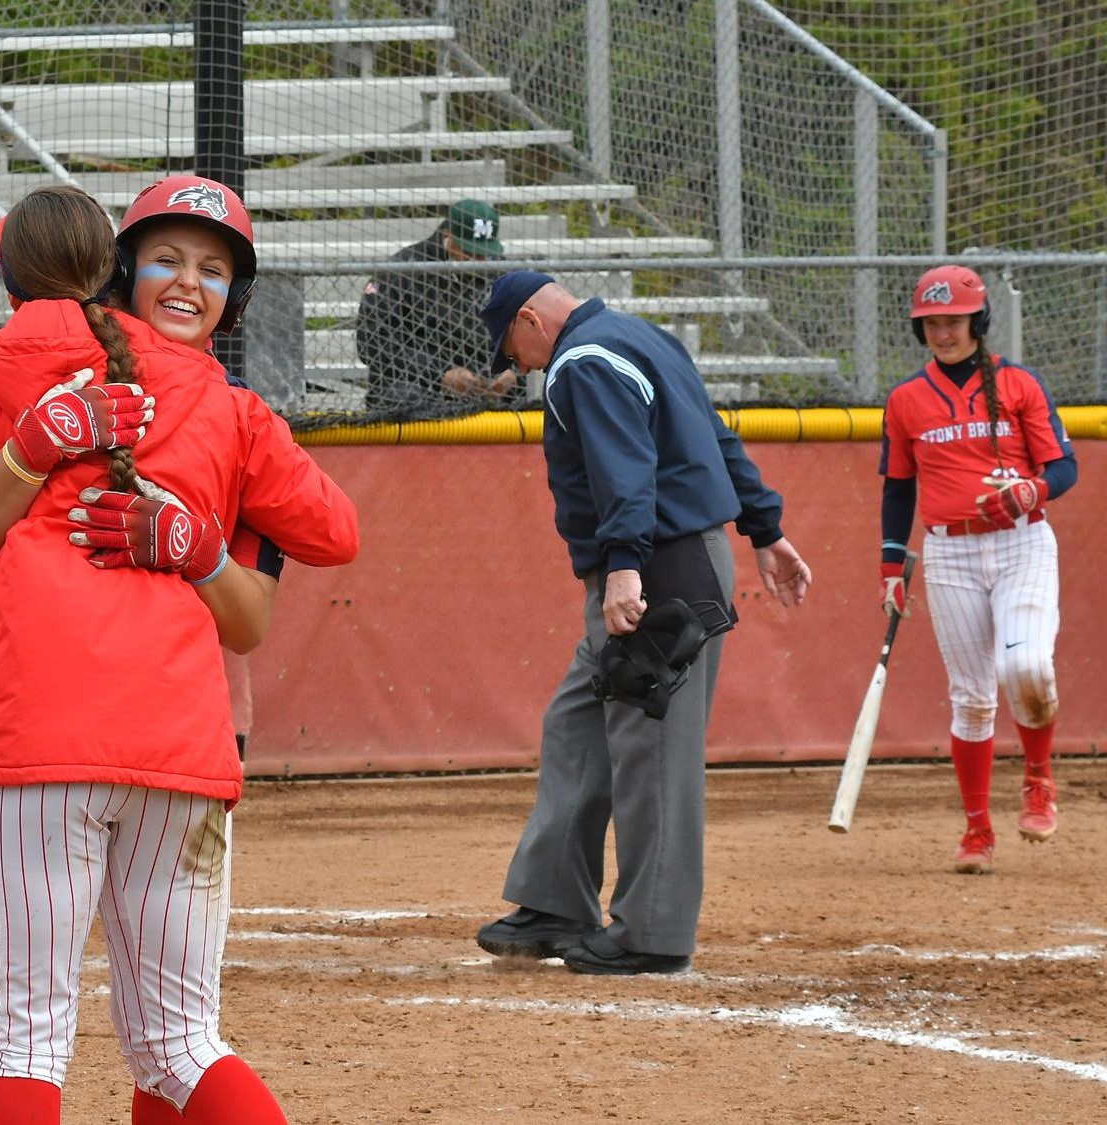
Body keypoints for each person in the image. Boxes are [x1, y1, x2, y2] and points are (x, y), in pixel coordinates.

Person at [0, 178, 359, 1124]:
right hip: (178, 743)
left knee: (15, 1035)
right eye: (168, 259)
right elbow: (335, 530)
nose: (188, 282)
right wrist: (204, 530)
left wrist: (197, 545)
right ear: (119, 269)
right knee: (179, 1043)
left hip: (34, 731)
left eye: (211, 269)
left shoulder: (1, 370)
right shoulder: (226, 405)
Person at [470, 270, 812, 976]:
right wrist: (765, 528)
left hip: (658, 568)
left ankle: (653, 932)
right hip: (668, 559)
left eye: (512, 349)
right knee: (576, 722)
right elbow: (716, 437)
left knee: (653, 749)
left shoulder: (581, 360)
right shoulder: (640, 336)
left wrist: (625, 565)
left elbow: (624, 469)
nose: (519, 368)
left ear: (531, 320)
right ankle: (555, 900)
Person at [881, 265, 1077, 874]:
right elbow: (898, 489)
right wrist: (890, 566)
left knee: (1026, 666)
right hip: (950, 554)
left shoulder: (1018, 383)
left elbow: (1063, 467)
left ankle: (1038, 778)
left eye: (955, 321)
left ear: (978, 321)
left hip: (1022, 544)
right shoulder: (905, 400)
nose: (943, 333)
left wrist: (1032, 490)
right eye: (932, 323)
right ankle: (977, 830)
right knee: (970, 699)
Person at [355, 198, 521, 417]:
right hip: (419, 383)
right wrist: (440, 375)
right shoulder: (402, 269)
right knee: (403, 397)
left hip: (483, 382)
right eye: (469, 251)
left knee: (526, 391)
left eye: (483, 253)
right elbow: (371, 342)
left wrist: (512, 372)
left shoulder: (501, 271)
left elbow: (524, 332)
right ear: (447, 236)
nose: (477, 260)